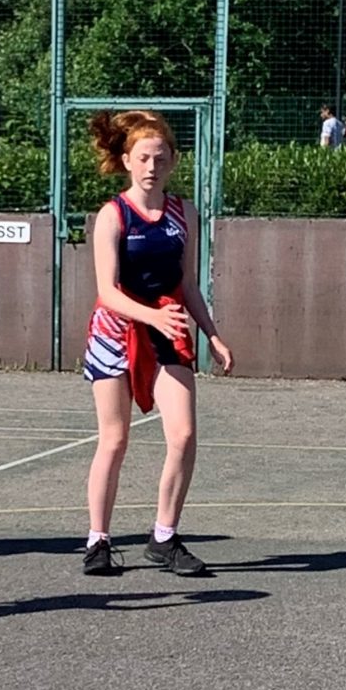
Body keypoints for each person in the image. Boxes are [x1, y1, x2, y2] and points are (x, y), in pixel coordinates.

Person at [81, 110, 234, 577]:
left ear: (172, 162)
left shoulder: (183, 212)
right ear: (126, 160)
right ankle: (98, 541)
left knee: (184, 435)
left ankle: (164, 536)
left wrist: (213, 333)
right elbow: (107, 290)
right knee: (115, 439)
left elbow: (186, 283)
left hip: (168, 331)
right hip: (116, 332)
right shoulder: (113, 214)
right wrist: (153, 316)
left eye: (160, 158)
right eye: (143, 157)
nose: (152, 166)